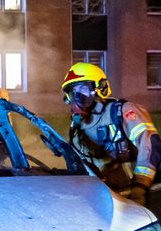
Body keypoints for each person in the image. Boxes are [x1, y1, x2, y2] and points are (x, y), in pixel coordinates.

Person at [62, 62, 161, 206]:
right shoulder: (78, 129)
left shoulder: (123, 112)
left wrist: (140, 186)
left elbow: (150, 144)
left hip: (150, 191)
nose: (78, 97)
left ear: (100, 88)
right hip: (114, 198)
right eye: (73, 92)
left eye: (83, 89)